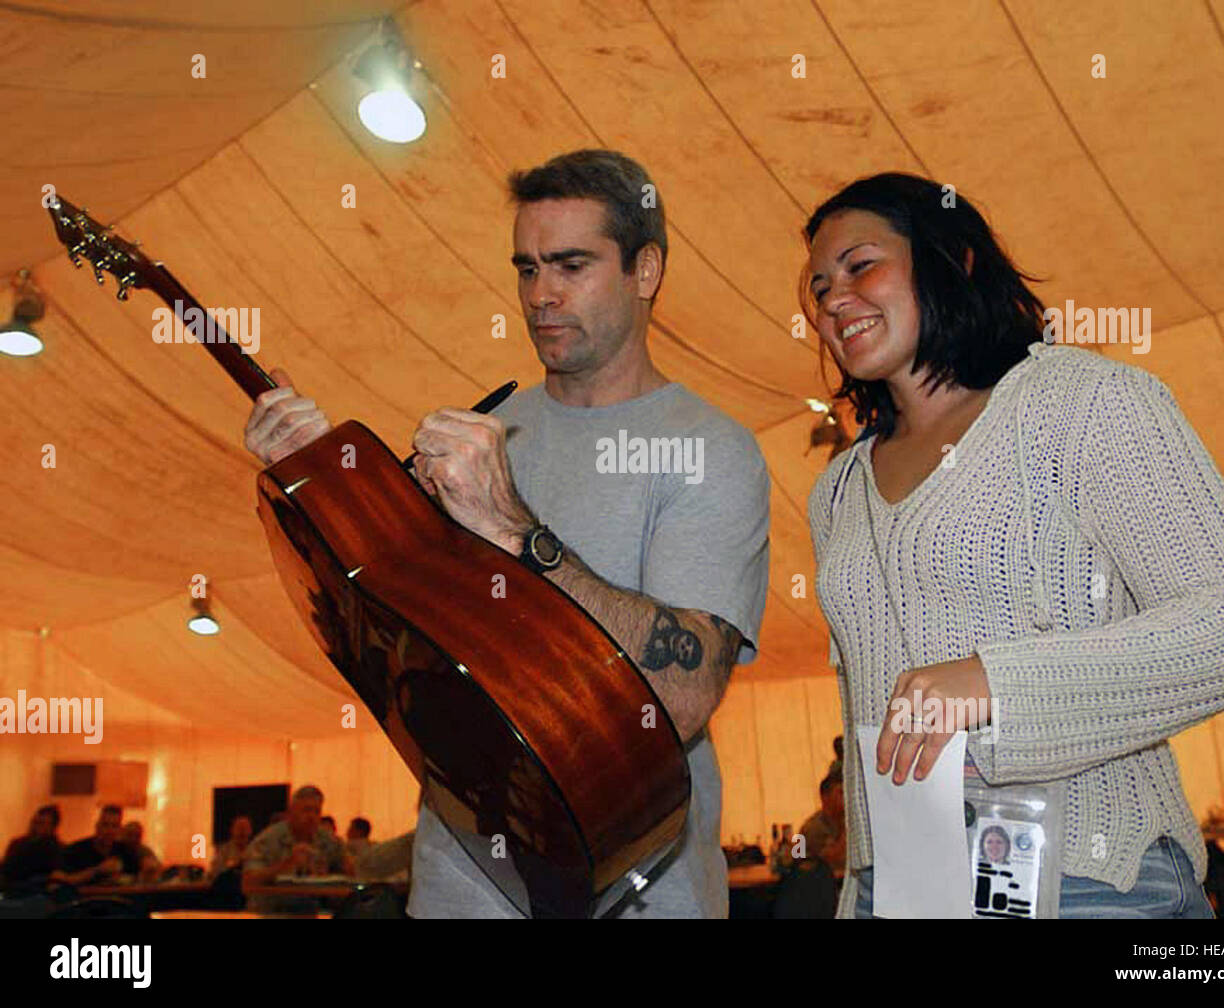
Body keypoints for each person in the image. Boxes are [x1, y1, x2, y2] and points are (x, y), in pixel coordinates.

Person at [243, 148, 770, 918]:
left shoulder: (710, 450)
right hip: (455, 893)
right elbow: (391, 654)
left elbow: (679, 697)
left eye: (571, 265)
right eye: (526, 269)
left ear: (646, 270)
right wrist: (323, 489)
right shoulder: (484, 430)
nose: (541, 295)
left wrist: (516, 533)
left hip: (642, 897)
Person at [803, 172, 1224, 919]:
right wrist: (859, 894)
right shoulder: (836, 489)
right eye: (817, 287)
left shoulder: (1086, 403)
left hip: (1090, 882)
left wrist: (994, 682)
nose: (834, 298)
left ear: (954, 259)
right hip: (902, 890)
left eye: (860, 265)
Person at [241, 786, 354, 914]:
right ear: (290, 813)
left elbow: (352, 875)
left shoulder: (329, 841)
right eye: (306, 810)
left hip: (315, 911)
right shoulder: (268, 840)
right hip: (271, 912)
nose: (311, 816)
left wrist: (333, 872)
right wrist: (287, 864)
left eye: (316, 811)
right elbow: (248, 883)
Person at [55, 805, 139, 885]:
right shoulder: (76, 850)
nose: (109, 831)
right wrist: (98, 870)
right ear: (97, 826)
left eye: (114, 826)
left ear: (119, 830)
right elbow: (59, 881)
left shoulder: (125, 851)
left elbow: (137, 878)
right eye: (105, 825)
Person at [0, 805, 63, 888]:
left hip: (29, 891)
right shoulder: (18, 843)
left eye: (41, 823)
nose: (35, 826)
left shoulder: (55, 849)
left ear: (52, 827)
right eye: (35, 822)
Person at [797, 776, 846, 871]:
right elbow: (832, 859)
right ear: (825, 797)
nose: (847, 797)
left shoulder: (841, 821)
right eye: (841, 793)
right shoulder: (814, 828)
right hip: (819, 882)